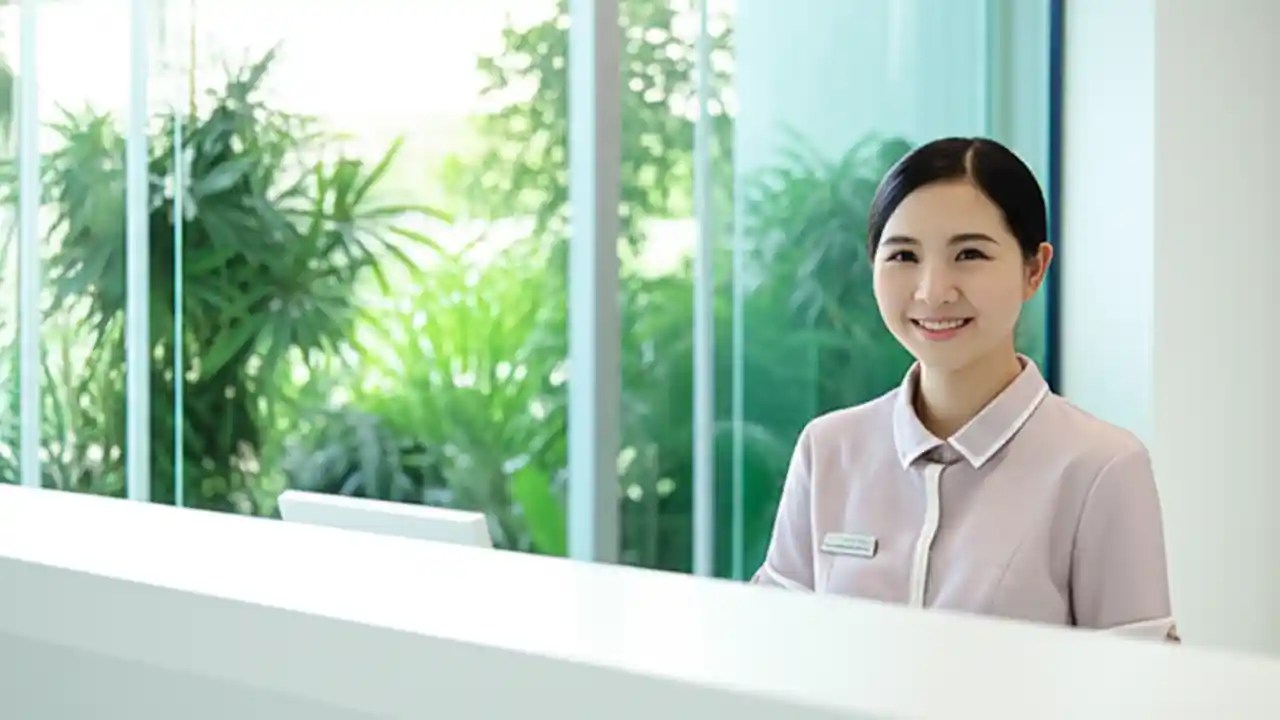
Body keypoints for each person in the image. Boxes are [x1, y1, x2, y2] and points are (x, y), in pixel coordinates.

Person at [750, 137, 1177, 641]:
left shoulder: (1101, 467)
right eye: (904, 255)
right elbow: (773, 645)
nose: (933, 291)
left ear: (1033, 268)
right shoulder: (829, 449)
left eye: (969, 254)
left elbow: (1137, 692)